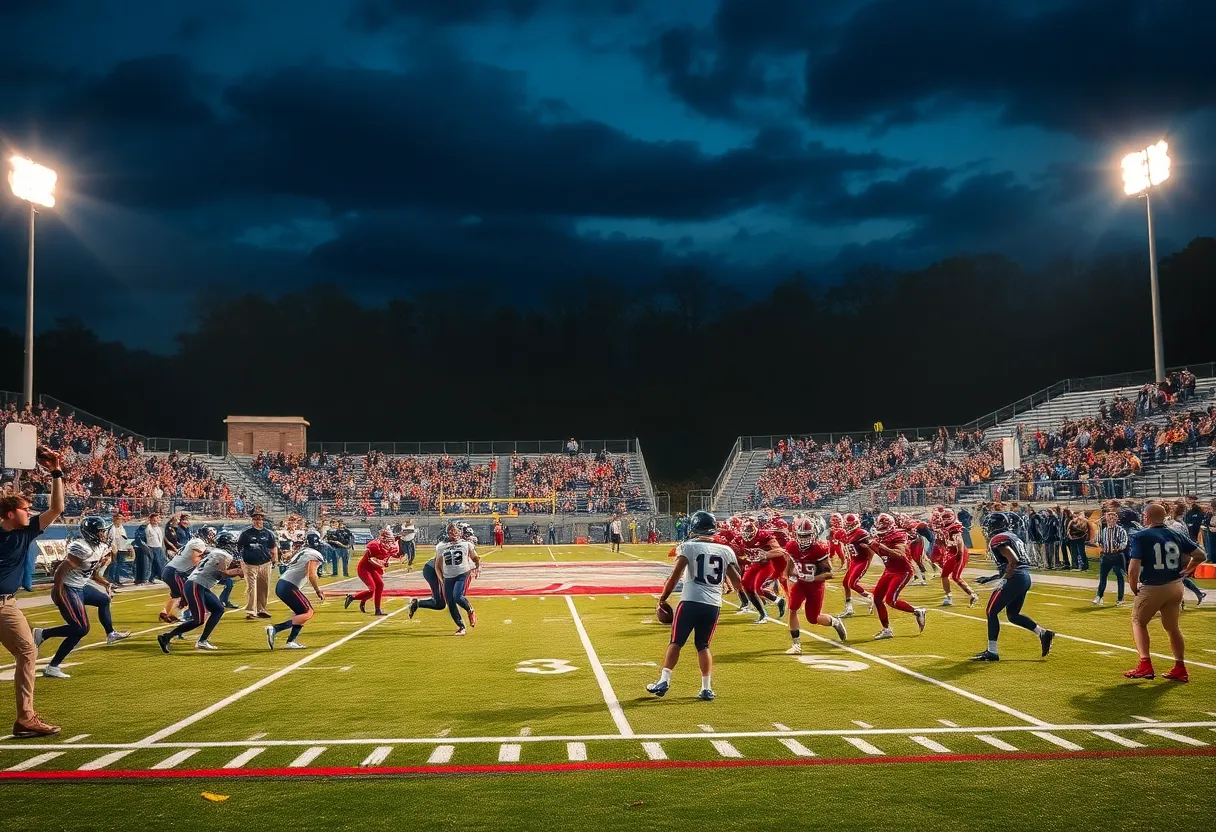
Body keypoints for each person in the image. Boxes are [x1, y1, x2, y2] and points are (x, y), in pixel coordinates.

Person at [0, 446, 64, 737]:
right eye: (25, 509)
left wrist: (56, 472)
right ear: (10, 513)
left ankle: (25, 718)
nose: (29, 513)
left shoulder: (25, 532)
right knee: (27, 652)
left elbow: (56, 508)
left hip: (6, 605)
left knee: (27, 651)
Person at [646, 510, 743, 701]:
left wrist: (663, 598)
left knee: (676, 642)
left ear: (694, 527)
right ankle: (706, 688)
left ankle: (664, 680)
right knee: (703, 645)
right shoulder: (726, 551)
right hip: (713, 605)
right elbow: (738, 583)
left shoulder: (688, 547)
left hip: (690, 601)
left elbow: (674, 577)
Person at [34, 515, 130, 678]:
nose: (104, 535)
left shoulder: (100, 547)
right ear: (91, 533)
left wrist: (105, 583)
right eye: (100, 532)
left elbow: (91, 573)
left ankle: (110, 633)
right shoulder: (82, 548)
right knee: (80, 629)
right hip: (68, 588)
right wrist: (58, 593)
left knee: (104, 600)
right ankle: (49, 654)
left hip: (80, 587)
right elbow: (60, 572)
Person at [1124, 502, 1207, 681]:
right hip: (1175, 585)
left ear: (1146, 517)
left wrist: (1133, 585)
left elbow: (1133, 567)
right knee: (1172, 627)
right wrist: (1188, 570)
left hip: (1153, 586)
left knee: (1138, 622)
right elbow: (1201, 555)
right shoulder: (1176, 533)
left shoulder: (1141, 536)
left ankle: (1145, 665)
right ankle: (1180, 668)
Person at [971, 512, 1055, 662]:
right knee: (1013, 615)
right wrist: (991, 578)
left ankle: (992, 651)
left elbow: (1013, 561)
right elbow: (1013, 564)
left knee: (991, 611)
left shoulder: (998, 539)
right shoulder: (1013, 536)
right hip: (1024, 577)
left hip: (1014, 577)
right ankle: (1042, 633)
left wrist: (1004, 580)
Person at [157, 530, 244, 652]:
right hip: (196, 585)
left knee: (218, 609)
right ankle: (167, 636)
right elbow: (222, 573)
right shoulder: (223, 555)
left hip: (200, 585)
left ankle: (203, 641)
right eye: (232, 544)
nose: (234, 547)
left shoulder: (215, 552)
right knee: (199, 620)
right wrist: (238, 572)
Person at [782, 515, 847, 655]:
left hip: (816, 587)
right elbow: (791, 559)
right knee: (792, 609)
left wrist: (813, 578)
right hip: (801, 584)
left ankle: (835, 622)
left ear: (814, 534)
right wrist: (787, 572)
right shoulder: (792, 546)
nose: (803, 539)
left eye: (807, 535)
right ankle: (796, 645)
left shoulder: (819, 548)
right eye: (801, 535)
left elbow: (829, 573)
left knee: (813, 619)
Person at [866, 513, 927, 640]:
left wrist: (881, 546)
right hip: (889, 569)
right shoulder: (879, 537)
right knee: (877, 599)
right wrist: (873, 546)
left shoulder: (898, 535)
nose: (881, 529)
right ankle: (886, 629)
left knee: (891, 601)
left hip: (902, 571)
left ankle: (917, 611)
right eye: (879, 526)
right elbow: (881, 554)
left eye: (883, 526)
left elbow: (900, 555)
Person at [266, 531, 326, 650]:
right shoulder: (314, 554)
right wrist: (318, 591)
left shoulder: (303, 551)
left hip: (283, 584)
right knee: (308, 612)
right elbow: (311, 575)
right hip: (289, 586)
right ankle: (276, 628)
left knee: (302, 613)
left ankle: (291, 641)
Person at [435, 520, 481, 635]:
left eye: (455, 531)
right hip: (448, 576)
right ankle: (461, 627)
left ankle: (470, 610)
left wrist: (477, 567)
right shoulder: (441, 547)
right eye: (451, 531)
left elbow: (475, 558)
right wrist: (441, 580)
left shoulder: (466, 544)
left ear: (460, 532)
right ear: (447, 533)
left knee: (457, 596)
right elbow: (437, 566)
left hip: (462, 573)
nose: (453, 533)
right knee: (450, 602)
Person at [160, 526, 212, 622]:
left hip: (170, 570)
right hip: (175, 572)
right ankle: (183, 615)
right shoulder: (199, 543)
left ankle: (165, 613)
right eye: (210, 535)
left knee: (177, 595)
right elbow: (195, 559)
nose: (211, 537)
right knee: (187, 595)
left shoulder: (193, 541)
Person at [345, 527, 400, 615]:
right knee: (372, 589)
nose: (389, 542)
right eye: (387, 539)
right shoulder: (375, 545)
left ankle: (377, 609)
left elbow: (390, 556)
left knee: (380, 585)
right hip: (364, 568)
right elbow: (371, 560)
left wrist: (389, 561)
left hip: (373, 568)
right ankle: (353, 597)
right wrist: (382, 564)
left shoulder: (391, 546)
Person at [238, 509, 277, 620]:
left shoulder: (268, 533)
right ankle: (251, 611)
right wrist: (241, 561)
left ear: (262, 520)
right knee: (251, 587)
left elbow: (273, 547)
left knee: (264, 587)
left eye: (260, 519)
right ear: (252, 520)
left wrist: (275, 559)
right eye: (256, 519)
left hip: (265, 563)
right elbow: (239, 547)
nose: (258, 521)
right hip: (250, 564)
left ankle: (261, 609)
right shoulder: (246, 534)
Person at [936, 509, 978, 608]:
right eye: (944, 517)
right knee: (945, 575)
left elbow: (959, 541)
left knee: (955, 577)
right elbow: (944, 542)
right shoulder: (945, 527)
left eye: (947, 517)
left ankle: (972, 595)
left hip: (958, 552)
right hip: (952, 552)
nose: (945, 519)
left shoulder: (954, 527)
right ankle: (949, 596)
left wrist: (959, 553)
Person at [838, 513, 875, 617]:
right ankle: (849, 608)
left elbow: (872, 549)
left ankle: (871, 597)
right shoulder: (845, 534)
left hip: (862, 561)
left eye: (851, 525)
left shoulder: (861, 533)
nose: (849, 527)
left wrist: (868, 561)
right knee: (846, 583)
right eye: (847, 525)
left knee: (852, 584)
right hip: (854, 561)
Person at [1094, 512, 1129, 606]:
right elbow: (1097, 540)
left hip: (1117, 555)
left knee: (1119, 575)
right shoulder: (1103, 530)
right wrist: (1098, 544)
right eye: (1110, 518)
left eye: (1113, 518)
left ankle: (1120, 598)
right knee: (1103, 577)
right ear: (1107, 519)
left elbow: (1124, 542)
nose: (1111, 520)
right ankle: (1099, 596)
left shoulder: (1121, 530)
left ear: (1116, 519)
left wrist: (1119, 547)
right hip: (1106, 556)